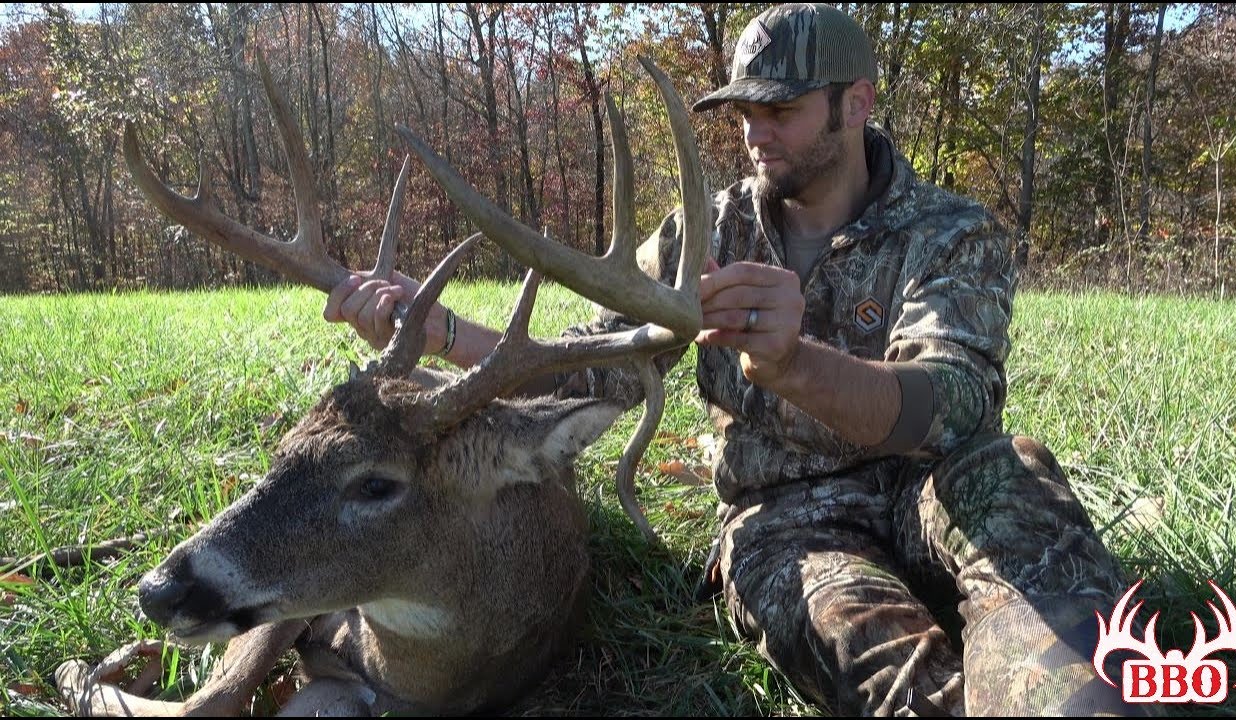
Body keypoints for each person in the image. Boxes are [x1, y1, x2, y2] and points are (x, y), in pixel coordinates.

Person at [324, 4, 1144, 716]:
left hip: (931, 485)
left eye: (781, 109)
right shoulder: (706, 232)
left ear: (855, 103)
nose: (755, 134)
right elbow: (592, 361)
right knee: (869, 655)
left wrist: (794, 364)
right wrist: (438, 333)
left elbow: (953, 405)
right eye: (743, 112)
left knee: (1028, 510)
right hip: (787, 519)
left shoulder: (950, 233)